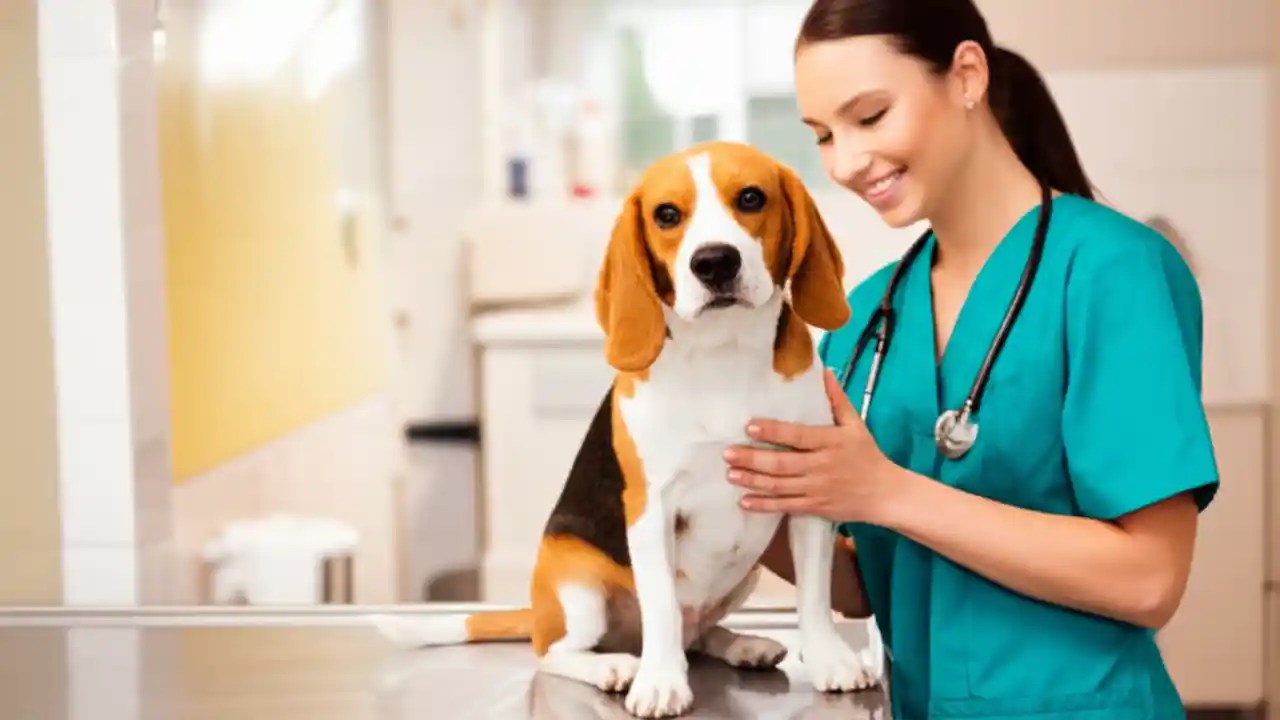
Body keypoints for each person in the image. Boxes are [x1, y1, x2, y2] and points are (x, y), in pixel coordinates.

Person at [723, 0, 1220, 718]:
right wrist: (741, 489)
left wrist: (886, 491)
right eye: (824, 135)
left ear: (965, 75)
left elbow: (1149, 579)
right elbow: (877, 581)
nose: (847, 162)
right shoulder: (863, 315)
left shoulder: (1114, 273)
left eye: (870, 116)